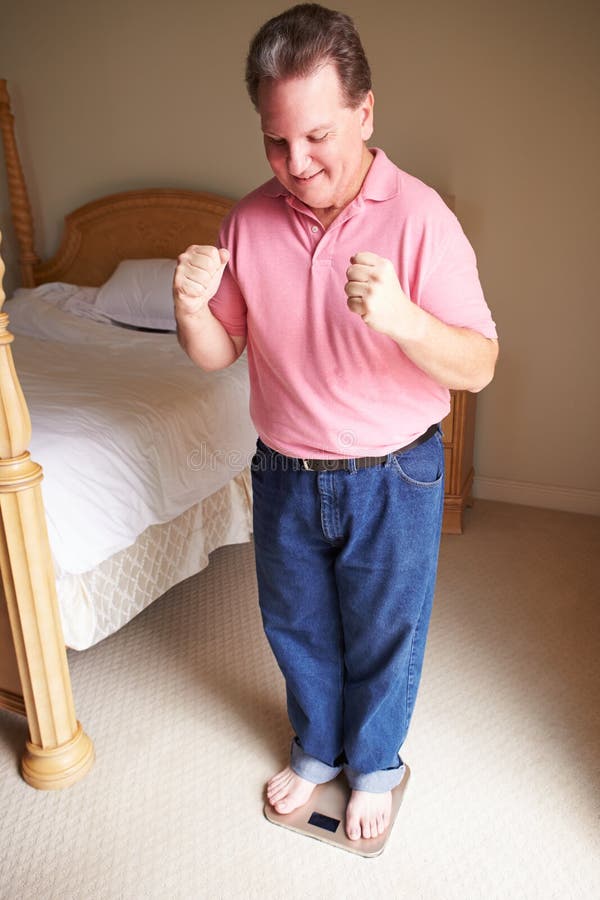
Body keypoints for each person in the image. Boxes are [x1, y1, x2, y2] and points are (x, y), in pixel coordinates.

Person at [174, 2, 498, 842]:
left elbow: (480, 364)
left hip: (394, 471)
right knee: (297, 625)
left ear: (365, 112)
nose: (297, 163)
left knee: (386, 630)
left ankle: (377, 764)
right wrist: (189, 308)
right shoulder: (246, 221)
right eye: (275, 141)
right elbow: (219, 351)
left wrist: (405, 319)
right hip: (284, 466)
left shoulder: (421, 217)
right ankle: (318, 748)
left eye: (317, 136)